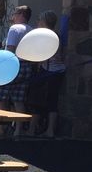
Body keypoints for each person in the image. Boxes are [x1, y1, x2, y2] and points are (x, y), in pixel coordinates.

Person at [24, 11, 65, 139]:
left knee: (37, 101)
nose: (37, 23)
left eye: (39, 20)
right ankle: (49, 130)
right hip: (58, 71)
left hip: (47, 71)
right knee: (52, 101)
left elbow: (41, 55)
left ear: (44, 22)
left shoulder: (46, 36)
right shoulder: (57, 35)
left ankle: (32, 130)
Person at [0, 5, 34, 138]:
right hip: (27, 66)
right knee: (19, 100)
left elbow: (10, 50)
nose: (13, 16)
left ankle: (1, 130)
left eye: (15, 13)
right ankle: (18, 130)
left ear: (22, 14)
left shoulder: (14, 29)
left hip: (13, 65)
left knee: (2, 98)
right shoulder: (31, 30)